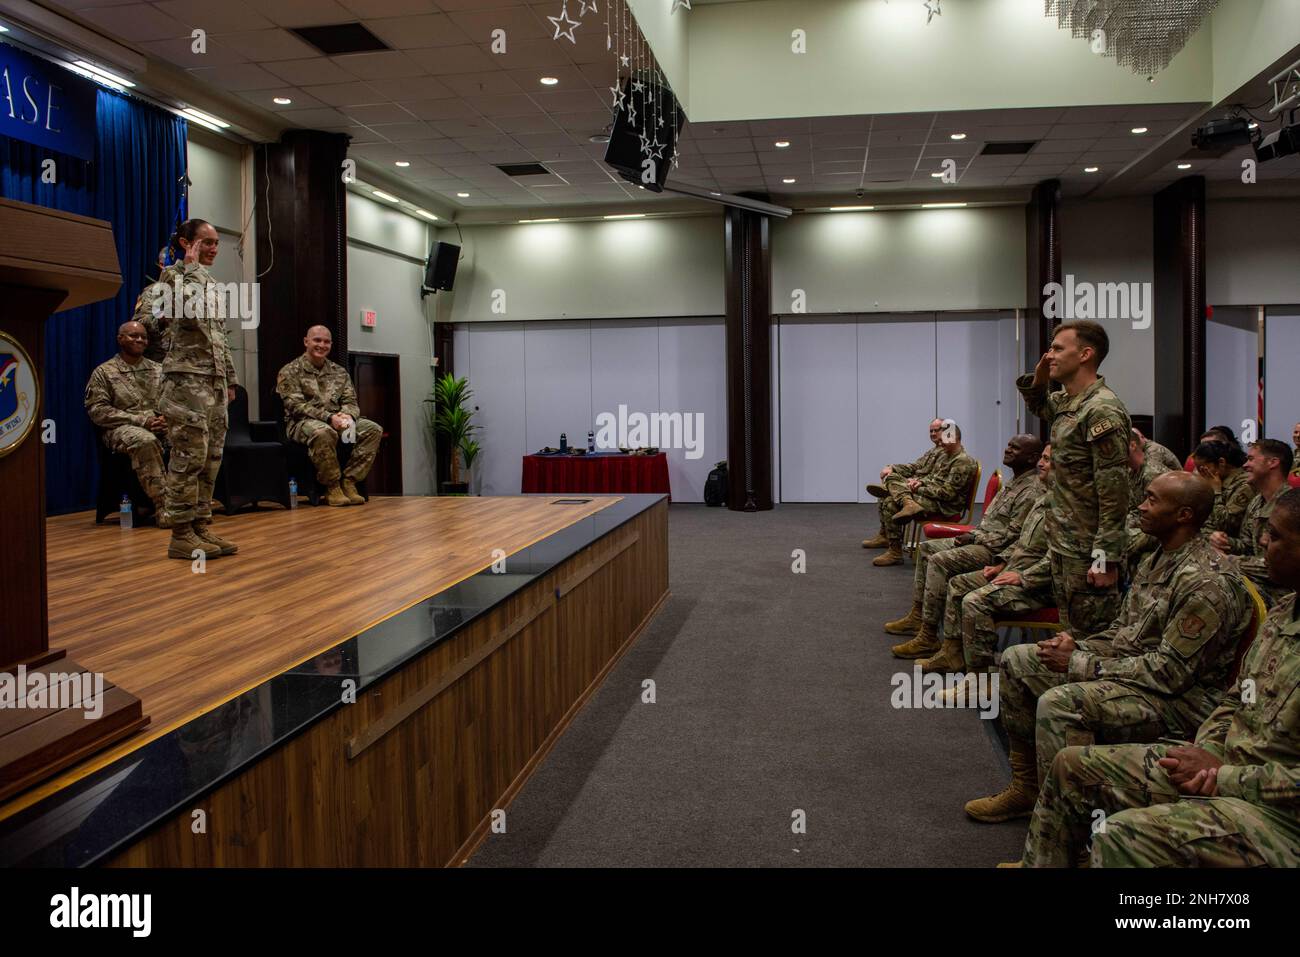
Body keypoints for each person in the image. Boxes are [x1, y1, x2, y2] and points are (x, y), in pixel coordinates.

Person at [1017, 488, 1300, 868]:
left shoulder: (1208, 582)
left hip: (1278, 814)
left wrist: (1224, 775)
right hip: (1227, 762)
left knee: (1120, 836)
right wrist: (1213, 749)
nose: (1262, 542)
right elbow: (1238, 696)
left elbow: (1170, 674)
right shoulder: (1287, 610)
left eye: (1277, 535)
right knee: (1071, 767)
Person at [964, 471, 1249, 823]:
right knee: (1018, 660)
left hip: (1180, 702)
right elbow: (1123, 633)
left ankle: (1069, 827)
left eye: (1152, 500)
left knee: (1062, 703)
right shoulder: (1158, 557)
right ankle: (1028, 788)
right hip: (1138, 675)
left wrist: (1081, 663)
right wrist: (1078, 644)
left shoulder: (1207, 582)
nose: (1141, 508)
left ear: (1184, 515)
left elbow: (1171, 674)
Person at [886, 433, 1044, 663]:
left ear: (1032, 458)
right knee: (928, 549)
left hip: (995, 552)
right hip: (982, 538)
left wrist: (975, 538)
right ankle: (919, 619)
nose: (1008, 450)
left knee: (940, 561)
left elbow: (1013, 535)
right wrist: (974, 534)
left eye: (1015, 448)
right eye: (1009, 445)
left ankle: (933, 638)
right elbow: (995, 524)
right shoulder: (1016, 481)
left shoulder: (1032, 489)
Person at [1017, 320, 1130, 635]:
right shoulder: (1066, 403)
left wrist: (1105, 558)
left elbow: (1114, 492)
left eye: (1057, 348)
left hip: (1086, 548)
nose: (1049, 355)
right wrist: (1042, 371)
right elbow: (1037, 401)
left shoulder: (1101, 410)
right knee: (1069, 631)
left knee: (1089, 635)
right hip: (1063, 540)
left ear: (1085, 354)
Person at [134, 219, 239, 560]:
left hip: (213, 381)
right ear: (185, 243)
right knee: (188, 457)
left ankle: (200, 525)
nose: (213, 249)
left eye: (216, 243)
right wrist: (191, 271)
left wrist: (229, 377)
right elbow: (189, 317)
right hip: (185, 383)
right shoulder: (171, 279)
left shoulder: (208, 281)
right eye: (206, 242)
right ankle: (180, 532)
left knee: (211, 458)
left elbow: (218, 334)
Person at [935, 445, 1055, 697]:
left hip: (1041, 585)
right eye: (1042, 458)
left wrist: (1023, 576)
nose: (1041, 464)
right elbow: (1023, 542)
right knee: (959, 585)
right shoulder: (1046, 498)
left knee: (975, 602)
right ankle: (953, 655)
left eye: (1048, 460)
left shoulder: (1067, 508)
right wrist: (1002, 563)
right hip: (1013, 568)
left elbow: (1060, 558)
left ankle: (980, 682)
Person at [275, 325, 383, 507]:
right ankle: (332, 486)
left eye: (326, 342)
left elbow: (351, 401)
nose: (322, 345)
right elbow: (295, 406)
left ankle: (349, 481)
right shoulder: (289, 371)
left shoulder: (339, 372)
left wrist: (348, 416)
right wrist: (328, 418)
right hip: (302, 424)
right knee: (324, 432)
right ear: (306, 341)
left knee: (373, 430)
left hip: (337, 421)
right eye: (317, 340)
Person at [83, 321, 167, 521]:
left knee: (192, 437)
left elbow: (172, 401)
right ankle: (164, 507)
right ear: (120, 339)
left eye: (143, 337)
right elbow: (98, 411)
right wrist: (141, 420)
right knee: (145, 441)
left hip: (159, 425)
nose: (139, 339)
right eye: (133, 335)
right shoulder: (104, 372)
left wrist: (167, 419)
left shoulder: (158, 369)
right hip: (120, 430)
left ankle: (191, 505)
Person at [868, 422, 977, 568]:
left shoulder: (962, 461)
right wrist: (918, 482)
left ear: (953, 437)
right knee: (893, 482)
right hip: (934, 498)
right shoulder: (947, 456)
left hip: (945, 506)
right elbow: (933, 478)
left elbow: (947, 494)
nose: (938, 441)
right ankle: (906, 501)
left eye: (942, 439)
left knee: (891, 502)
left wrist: (918, 489)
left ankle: (895, 552)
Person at [1211, 438, 1294, 608]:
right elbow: (1248, 547)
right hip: (1254, 582)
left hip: (1284, 592)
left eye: (1251, 459)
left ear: (1273, 463)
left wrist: (1229, 560)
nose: (1245, 466)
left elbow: (1282, 563)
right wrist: (1226, 542)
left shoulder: (1291, 507)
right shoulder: (1257, 502)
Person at [863, 419, 947, 548]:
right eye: (931, 431)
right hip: (918, 487)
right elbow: (915, 466)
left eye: (937, 430)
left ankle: (895, 550)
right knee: (886, 489)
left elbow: (937, 480)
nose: (933, 433)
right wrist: (892, 467)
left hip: (933, 497)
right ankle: (885, 534)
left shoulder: (947, 453)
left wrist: (918, 482)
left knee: (890, 499)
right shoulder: (933, 451)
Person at [1193, 438, 1252, 540]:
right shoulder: (1215, 480)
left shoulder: (1244, 484)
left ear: (1221, 462)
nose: (1201, 475)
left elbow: (1225, 524)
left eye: (1203, 469)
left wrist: (1216, 492)